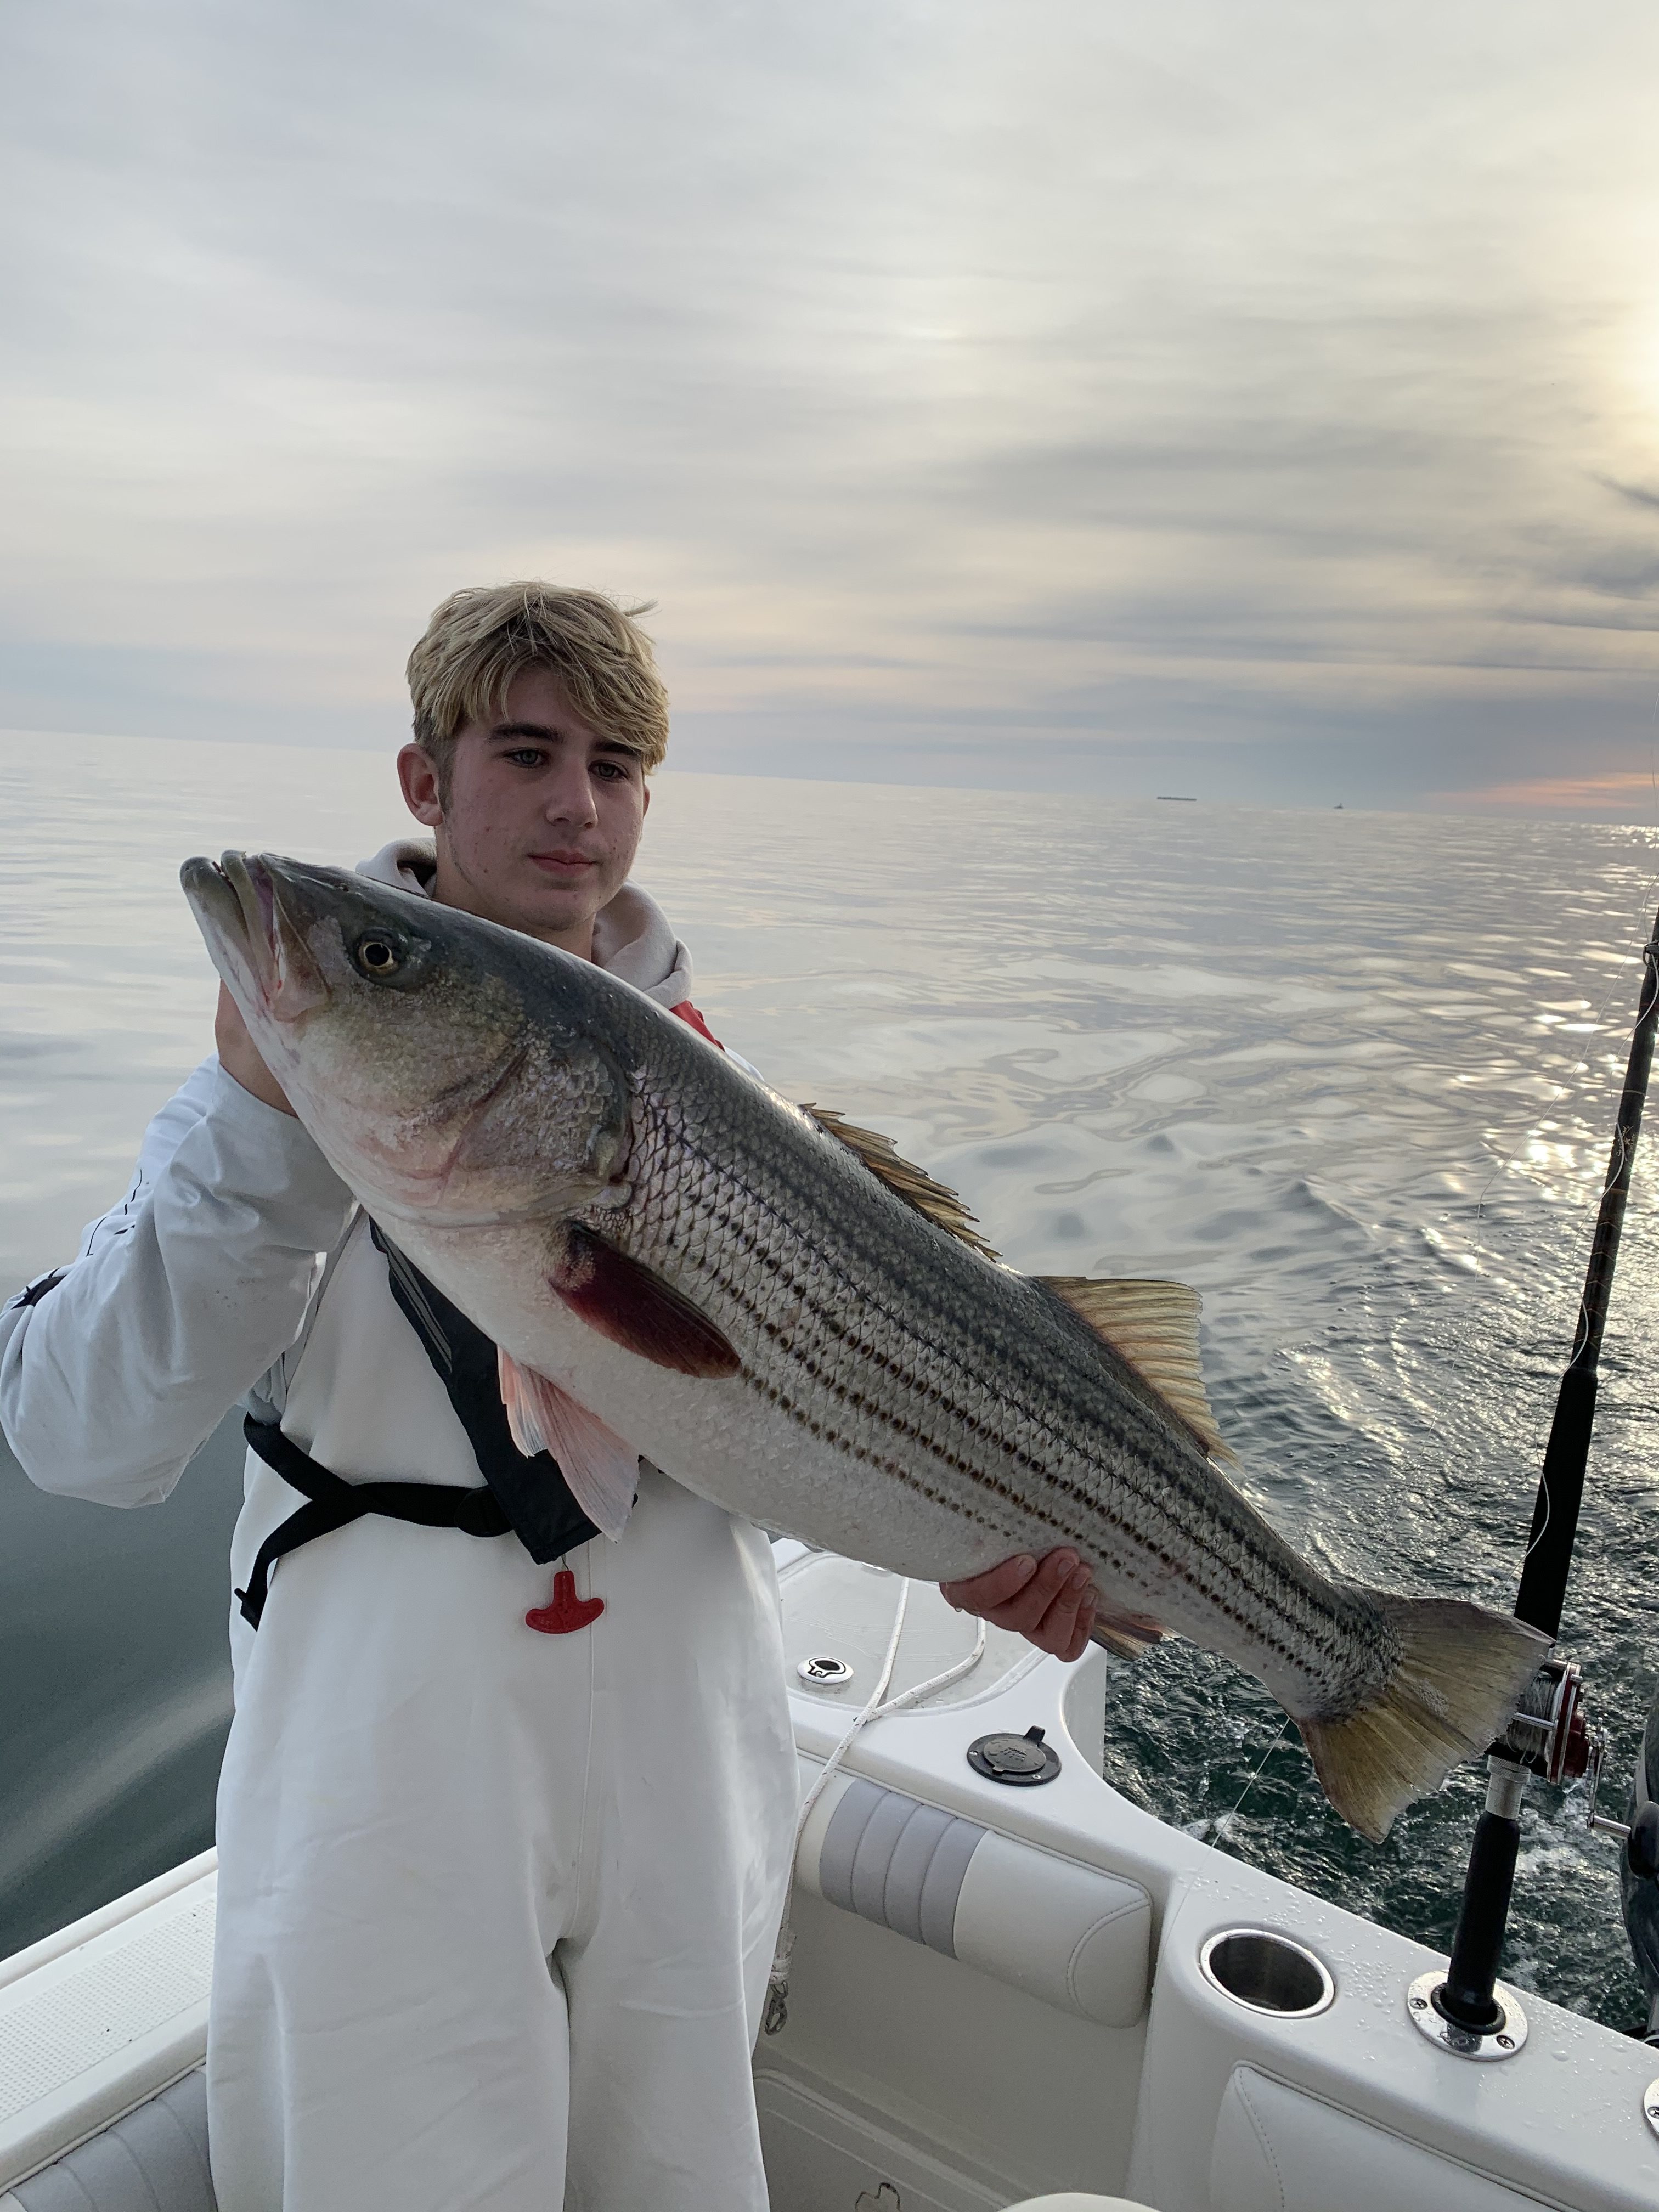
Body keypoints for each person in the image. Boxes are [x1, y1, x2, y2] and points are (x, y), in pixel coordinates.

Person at [0, 582, 1097, 2212]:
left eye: (617, 762)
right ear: (424, 780)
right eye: (525, 751)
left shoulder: (730, 1112)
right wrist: (253, 1114)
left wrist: (976, 1537)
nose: (577, 804)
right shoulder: (293, 1066)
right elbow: (80, 1435)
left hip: (690, 1736)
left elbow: (809, 1421)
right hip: (398, 1756)